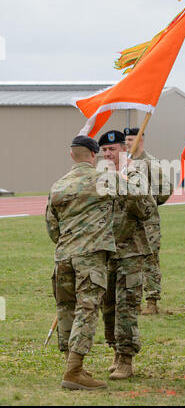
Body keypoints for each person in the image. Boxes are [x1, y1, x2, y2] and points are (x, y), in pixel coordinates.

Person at [45, 135, 116, 391]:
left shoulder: (58, 185)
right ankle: (74, 371)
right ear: (93, 155)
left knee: (66, 308)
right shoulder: (105, 180)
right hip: (90, 256)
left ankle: (70, 364)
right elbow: (140, 204)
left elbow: (52, 227)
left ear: (71, 155)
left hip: (63, 255)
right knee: (87, 310)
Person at [98, 130, 157, 379]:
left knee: (126, 306)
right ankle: (114, 349)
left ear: (124, 149)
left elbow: (146, 210)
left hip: (131, 251)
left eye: (113, 149)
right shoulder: (100, 177)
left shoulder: (136, 175)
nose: (108, 154)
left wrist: (122, 182)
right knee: (108, 306)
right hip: (105, 252)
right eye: (104, 151)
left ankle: (126, 359)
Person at [124, 127, 173, 315]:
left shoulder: (151, 163)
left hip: (148, 222)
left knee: (150, 259)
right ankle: (134, 301)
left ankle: (152, 301)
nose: (128, 142)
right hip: (129, 222)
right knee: (131, 260)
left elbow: (166, 189)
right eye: (126, 139)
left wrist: (149, 203)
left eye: (131, 139)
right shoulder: (123, 163)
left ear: (141, 139)